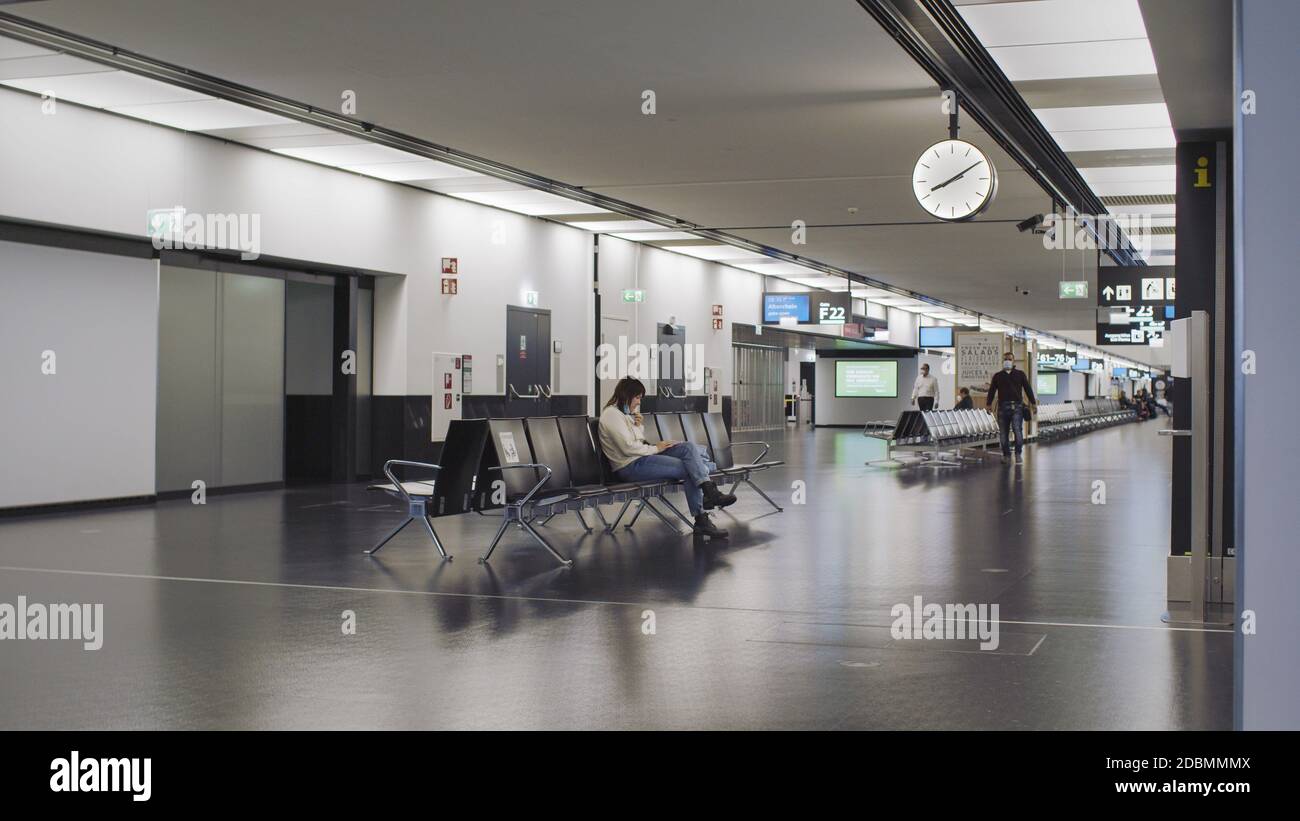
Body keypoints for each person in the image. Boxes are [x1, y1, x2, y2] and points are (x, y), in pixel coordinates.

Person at [597, 377, 735, 538]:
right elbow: (628, 448)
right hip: (630, 466)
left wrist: (637, 426)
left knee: (687, 448)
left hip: (641, 458)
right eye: (637, 398)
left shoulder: (624, 414)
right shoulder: (611, 415)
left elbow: (636, 442)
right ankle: (702, 516)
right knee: (690, 468)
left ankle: (709, 492)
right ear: (625, 395)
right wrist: (656, 448)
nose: (638, 403)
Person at [984, 354, 1037, 464]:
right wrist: (988, 404)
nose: (1007, 361)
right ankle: (1006, 455)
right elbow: (992, 391)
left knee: (1017, 430)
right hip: (1002, 407)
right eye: (1005, 359)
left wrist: (1033, 403)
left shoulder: (1020, 374)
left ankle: (1018, 453)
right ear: (1002, 361)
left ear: (1013, 361)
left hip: (1017, 406)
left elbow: (1028, 389)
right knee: (1003, 433)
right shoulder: (998, 376)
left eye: (1009, 359)